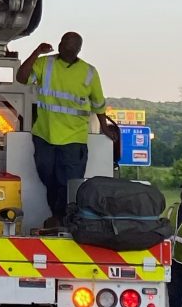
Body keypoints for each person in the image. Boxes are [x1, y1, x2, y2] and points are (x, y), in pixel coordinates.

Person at [19, 32, 119, 228]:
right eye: (65, 43)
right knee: (48, 177)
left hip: (74, 138)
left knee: (69, 183)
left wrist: (105, 128)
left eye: (73, 45)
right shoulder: (45, 64)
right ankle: (58, 216)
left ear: (79, 49)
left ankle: (62, 219)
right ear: (59, 44)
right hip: (45, 135)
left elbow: (98, 103)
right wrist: (36, 53)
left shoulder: (89, 72)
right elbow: (21, 78)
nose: (68, 48)